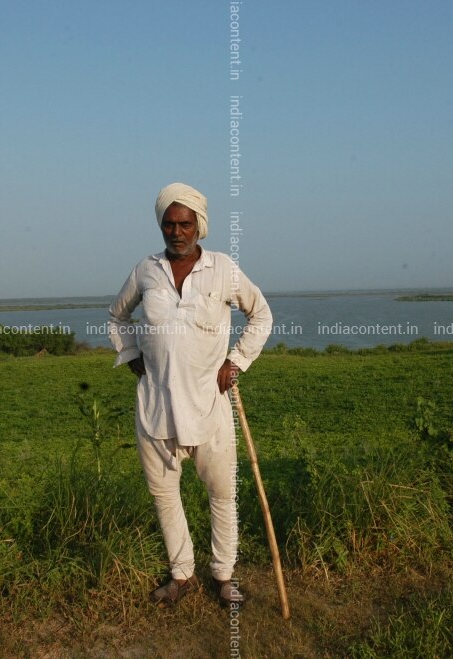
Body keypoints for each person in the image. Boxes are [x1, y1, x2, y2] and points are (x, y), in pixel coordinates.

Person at [107, 182, 272, 608]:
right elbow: (117, 315)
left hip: (210, 406)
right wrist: (130, 355)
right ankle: (181, 575)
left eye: (185, 223)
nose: (177, 232)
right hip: (156, 408)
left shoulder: (222, 269)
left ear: (200, 225)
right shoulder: (145, 270)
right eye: (169, 224)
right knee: (165, 497)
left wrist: (235, 361)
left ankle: (224, 575)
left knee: (223, 494)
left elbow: (260, 313)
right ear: (160, 226)